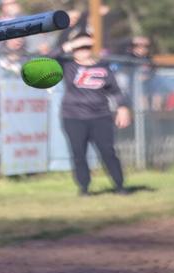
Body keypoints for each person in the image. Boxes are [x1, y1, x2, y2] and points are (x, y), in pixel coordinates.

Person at [51, 33, 131, 196]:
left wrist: (122, 108)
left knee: (108, 152)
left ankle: (120, 186)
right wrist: (68, 46)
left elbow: (115, 90)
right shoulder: (67, 65)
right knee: (78, 153)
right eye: (78, 48)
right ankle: (84, 188)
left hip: (100, 116)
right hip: (73, 116)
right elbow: (46, 59)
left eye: (86, 47)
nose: (82, 51)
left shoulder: (103, 66)